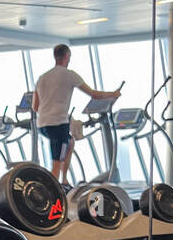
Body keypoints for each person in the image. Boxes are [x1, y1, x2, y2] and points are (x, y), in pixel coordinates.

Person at [31, 44, 120, 186]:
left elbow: (35, 107)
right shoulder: (69, 75)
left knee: (70, 142)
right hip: (58, 125)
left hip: (42, 125)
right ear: (67, 57)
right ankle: (53, 193)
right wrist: (113, 94)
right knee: (56, 163)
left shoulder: (42, 78)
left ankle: (64, 180)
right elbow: (94, 94)